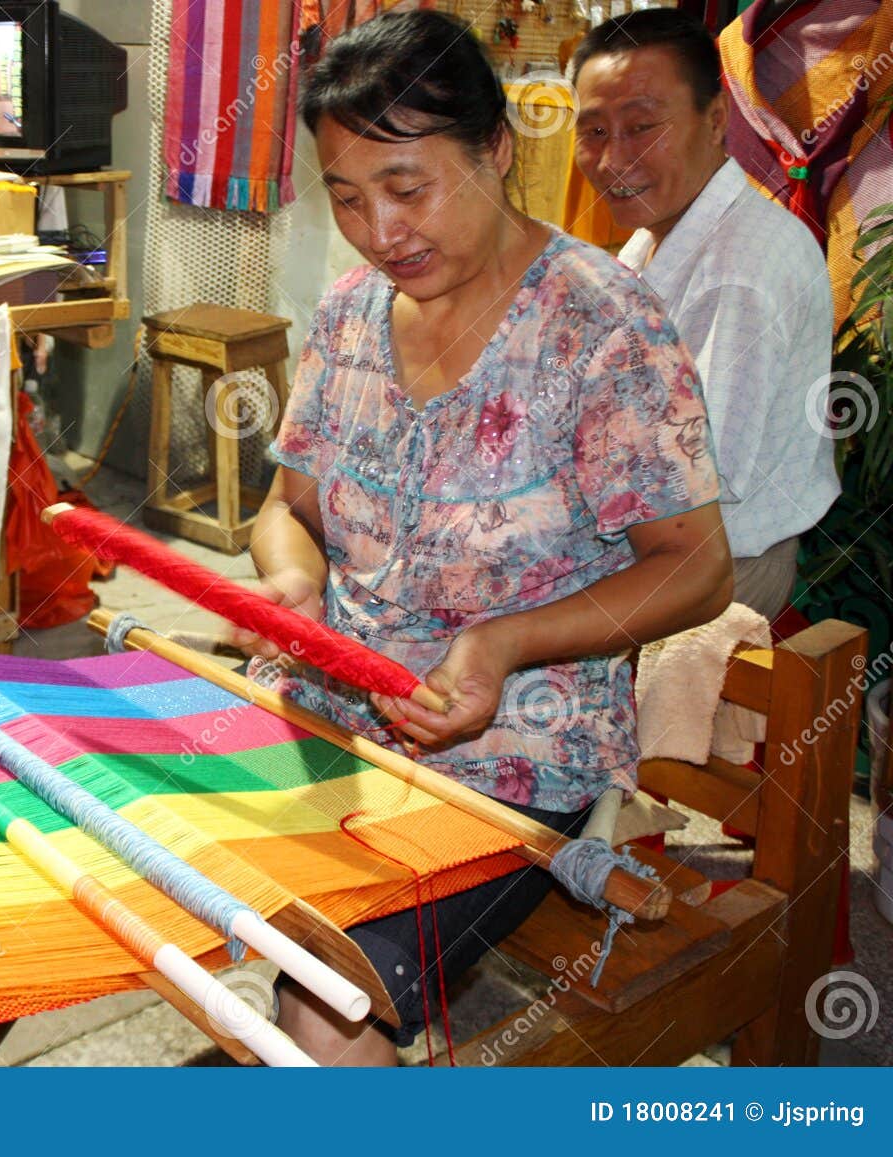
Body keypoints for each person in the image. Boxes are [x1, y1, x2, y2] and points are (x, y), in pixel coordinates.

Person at [241, 10, 732, 1065]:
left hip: (508, 751)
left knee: (325, 1004)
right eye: (347, 199)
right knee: (103, 850)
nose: (379, 230)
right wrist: (289, 583)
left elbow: (695, 564)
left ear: (496, 151)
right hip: (329, 709)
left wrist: (498, 643)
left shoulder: (599, 324)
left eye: (407, 188)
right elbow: (289, 507)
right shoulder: (344, 317)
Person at [571, 7, 838, 620]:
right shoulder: (658, 233)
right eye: (594, 133)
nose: (613, 161)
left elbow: (698, 475)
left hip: (716, 572)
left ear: (715, 121)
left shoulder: (740, 268)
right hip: (661, 547)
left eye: (641, 128)